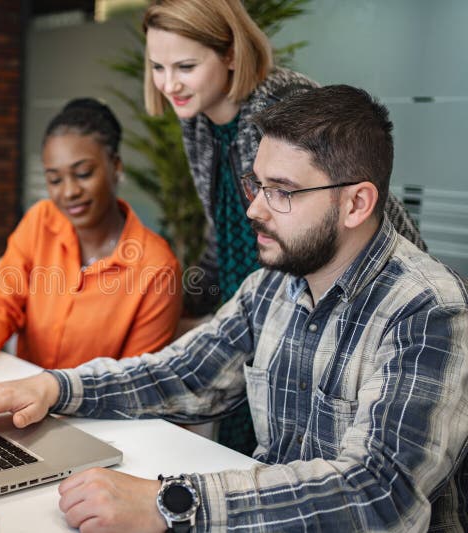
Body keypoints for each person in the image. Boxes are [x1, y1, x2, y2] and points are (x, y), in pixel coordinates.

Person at [0, 86, 468, 531]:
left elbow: (377, 495)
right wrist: (54, 387)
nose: (254, 209)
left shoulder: (427, 309)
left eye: (282, 191)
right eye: (256, 184)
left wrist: (168, 504)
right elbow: (182, 374)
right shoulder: (271, 287)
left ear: (356, 203)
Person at [142, 0, 427, 454]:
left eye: (186, 66)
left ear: (231, 54)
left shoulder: (280, 112)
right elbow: (226, 233)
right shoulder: (198, 119)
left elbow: (336, 230)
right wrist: (169, 297)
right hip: (260, 300)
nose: (169, 82)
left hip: (344, 302)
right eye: (157, 66)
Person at [0, 99, 183, 388]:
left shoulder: (157, 267)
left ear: (116, 166)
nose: (69, 192)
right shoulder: (40, 221)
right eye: (54, 179)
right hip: (23, 405)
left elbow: (133, 383)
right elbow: (2, 304)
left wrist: (52, 396)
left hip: (101, 421)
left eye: (83, 174)